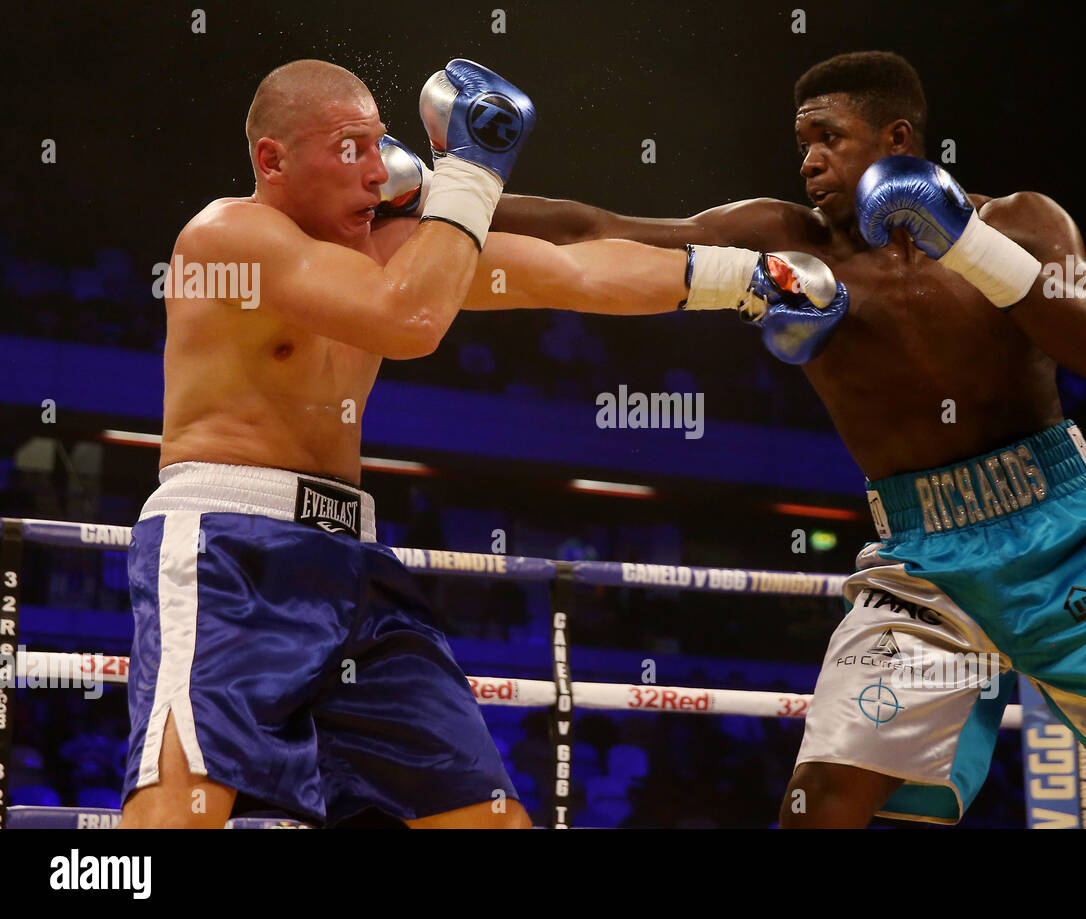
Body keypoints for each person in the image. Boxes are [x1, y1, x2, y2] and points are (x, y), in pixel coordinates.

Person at [491, 50, 1086, 828]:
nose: (810, 160)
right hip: (920, 559)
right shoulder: (789, 240)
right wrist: (449, 194)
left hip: (1071, 539)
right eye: (802, 144)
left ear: (897, 139)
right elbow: (603, 229)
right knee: (821, 802)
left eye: (829, 137)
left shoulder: (1020, 221)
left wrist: (967, 245)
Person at [118, 57, 846, 829]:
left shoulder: (396, 255)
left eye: (378, 145)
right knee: (183, 809)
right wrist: (468, 170)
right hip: (232, 548)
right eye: (349, 149)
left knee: (486, 818)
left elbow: (574, 270)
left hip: (353, 565)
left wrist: (748, 278)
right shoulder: (227, 236)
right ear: (272, 160)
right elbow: (408, 323)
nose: (375, 170)